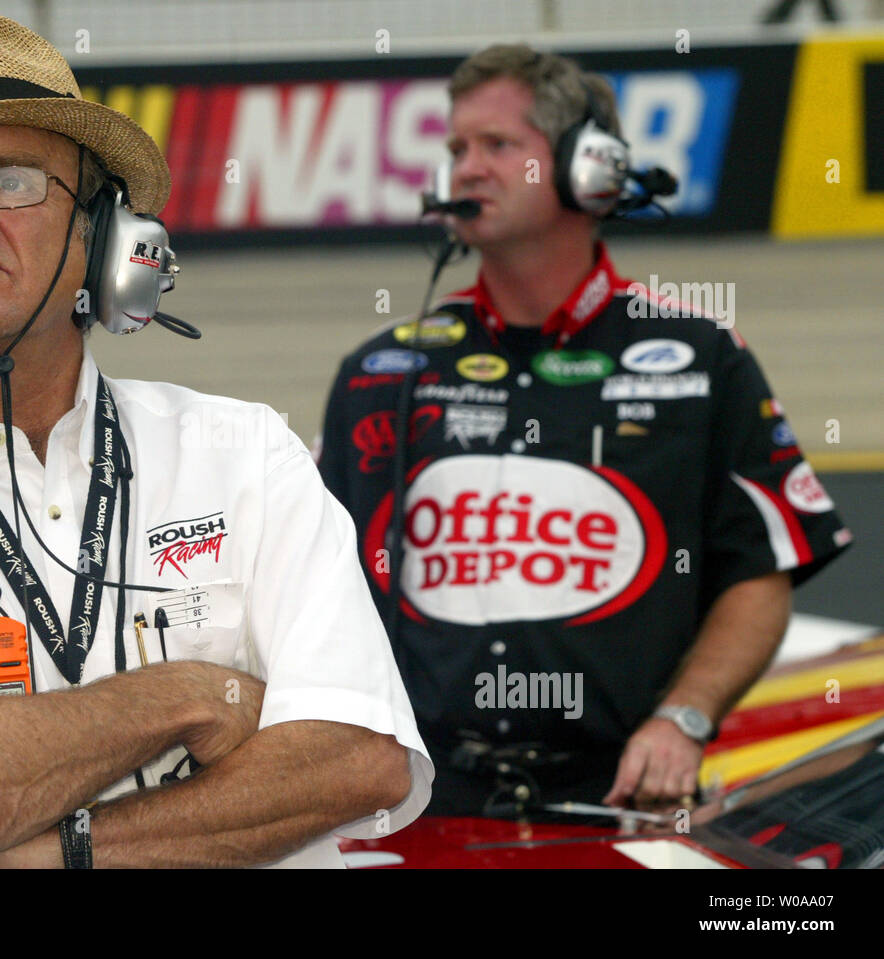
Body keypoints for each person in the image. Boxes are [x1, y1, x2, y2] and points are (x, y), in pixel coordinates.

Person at [0, 6, 430, 868]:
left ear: (105, 241)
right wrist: (186, 696)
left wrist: (66, 853)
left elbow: (356, 757)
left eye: (11, 180)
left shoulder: (246, 453)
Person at [316, 44, 851, 818]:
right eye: (456, 148)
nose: (465, 167)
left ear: (589, 167)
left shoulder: (703, 361)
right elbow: (314, 589)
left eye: (499, 145)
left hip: (622, 798)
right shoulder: (380, 372)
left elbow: (761, 570)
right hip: (413, 801)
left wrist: (684, 717)